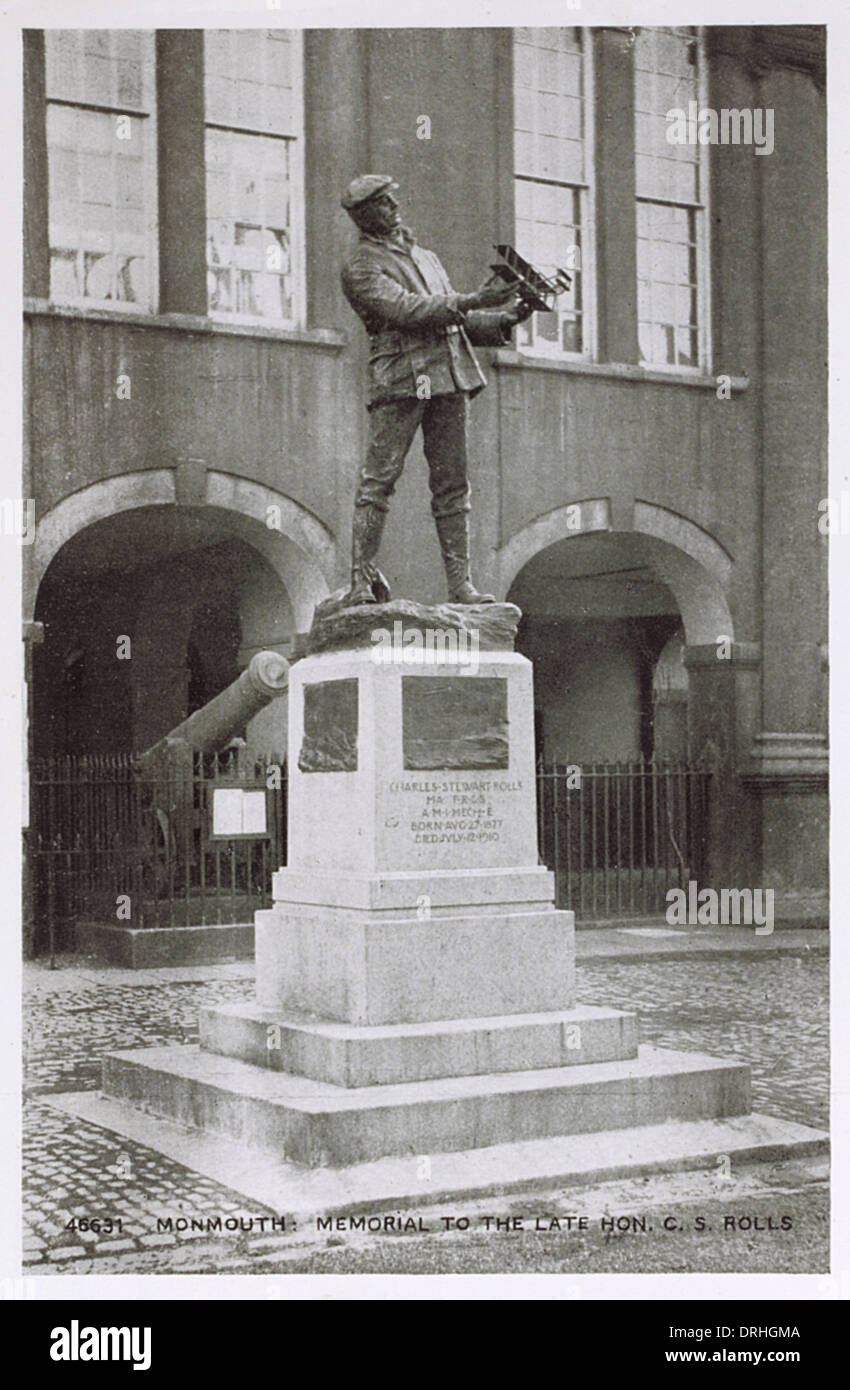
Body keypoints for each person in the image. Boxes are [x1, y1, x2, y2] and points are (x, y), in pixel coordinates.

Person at [340, 174, 532, 605]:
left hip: (448, 377)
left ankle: (461, 587)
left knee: (453, 485)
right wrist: (475, 299)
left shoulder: (426, 257)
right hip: (405, 379)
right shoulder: (361, 265)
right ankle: (359, 582)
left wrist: (505, 316)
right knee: (379, 481)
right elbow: (408, 311)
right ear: (366, 215)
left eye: (393, 200)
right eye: (385, 204)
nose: (395, 208)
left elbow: (453, 320)